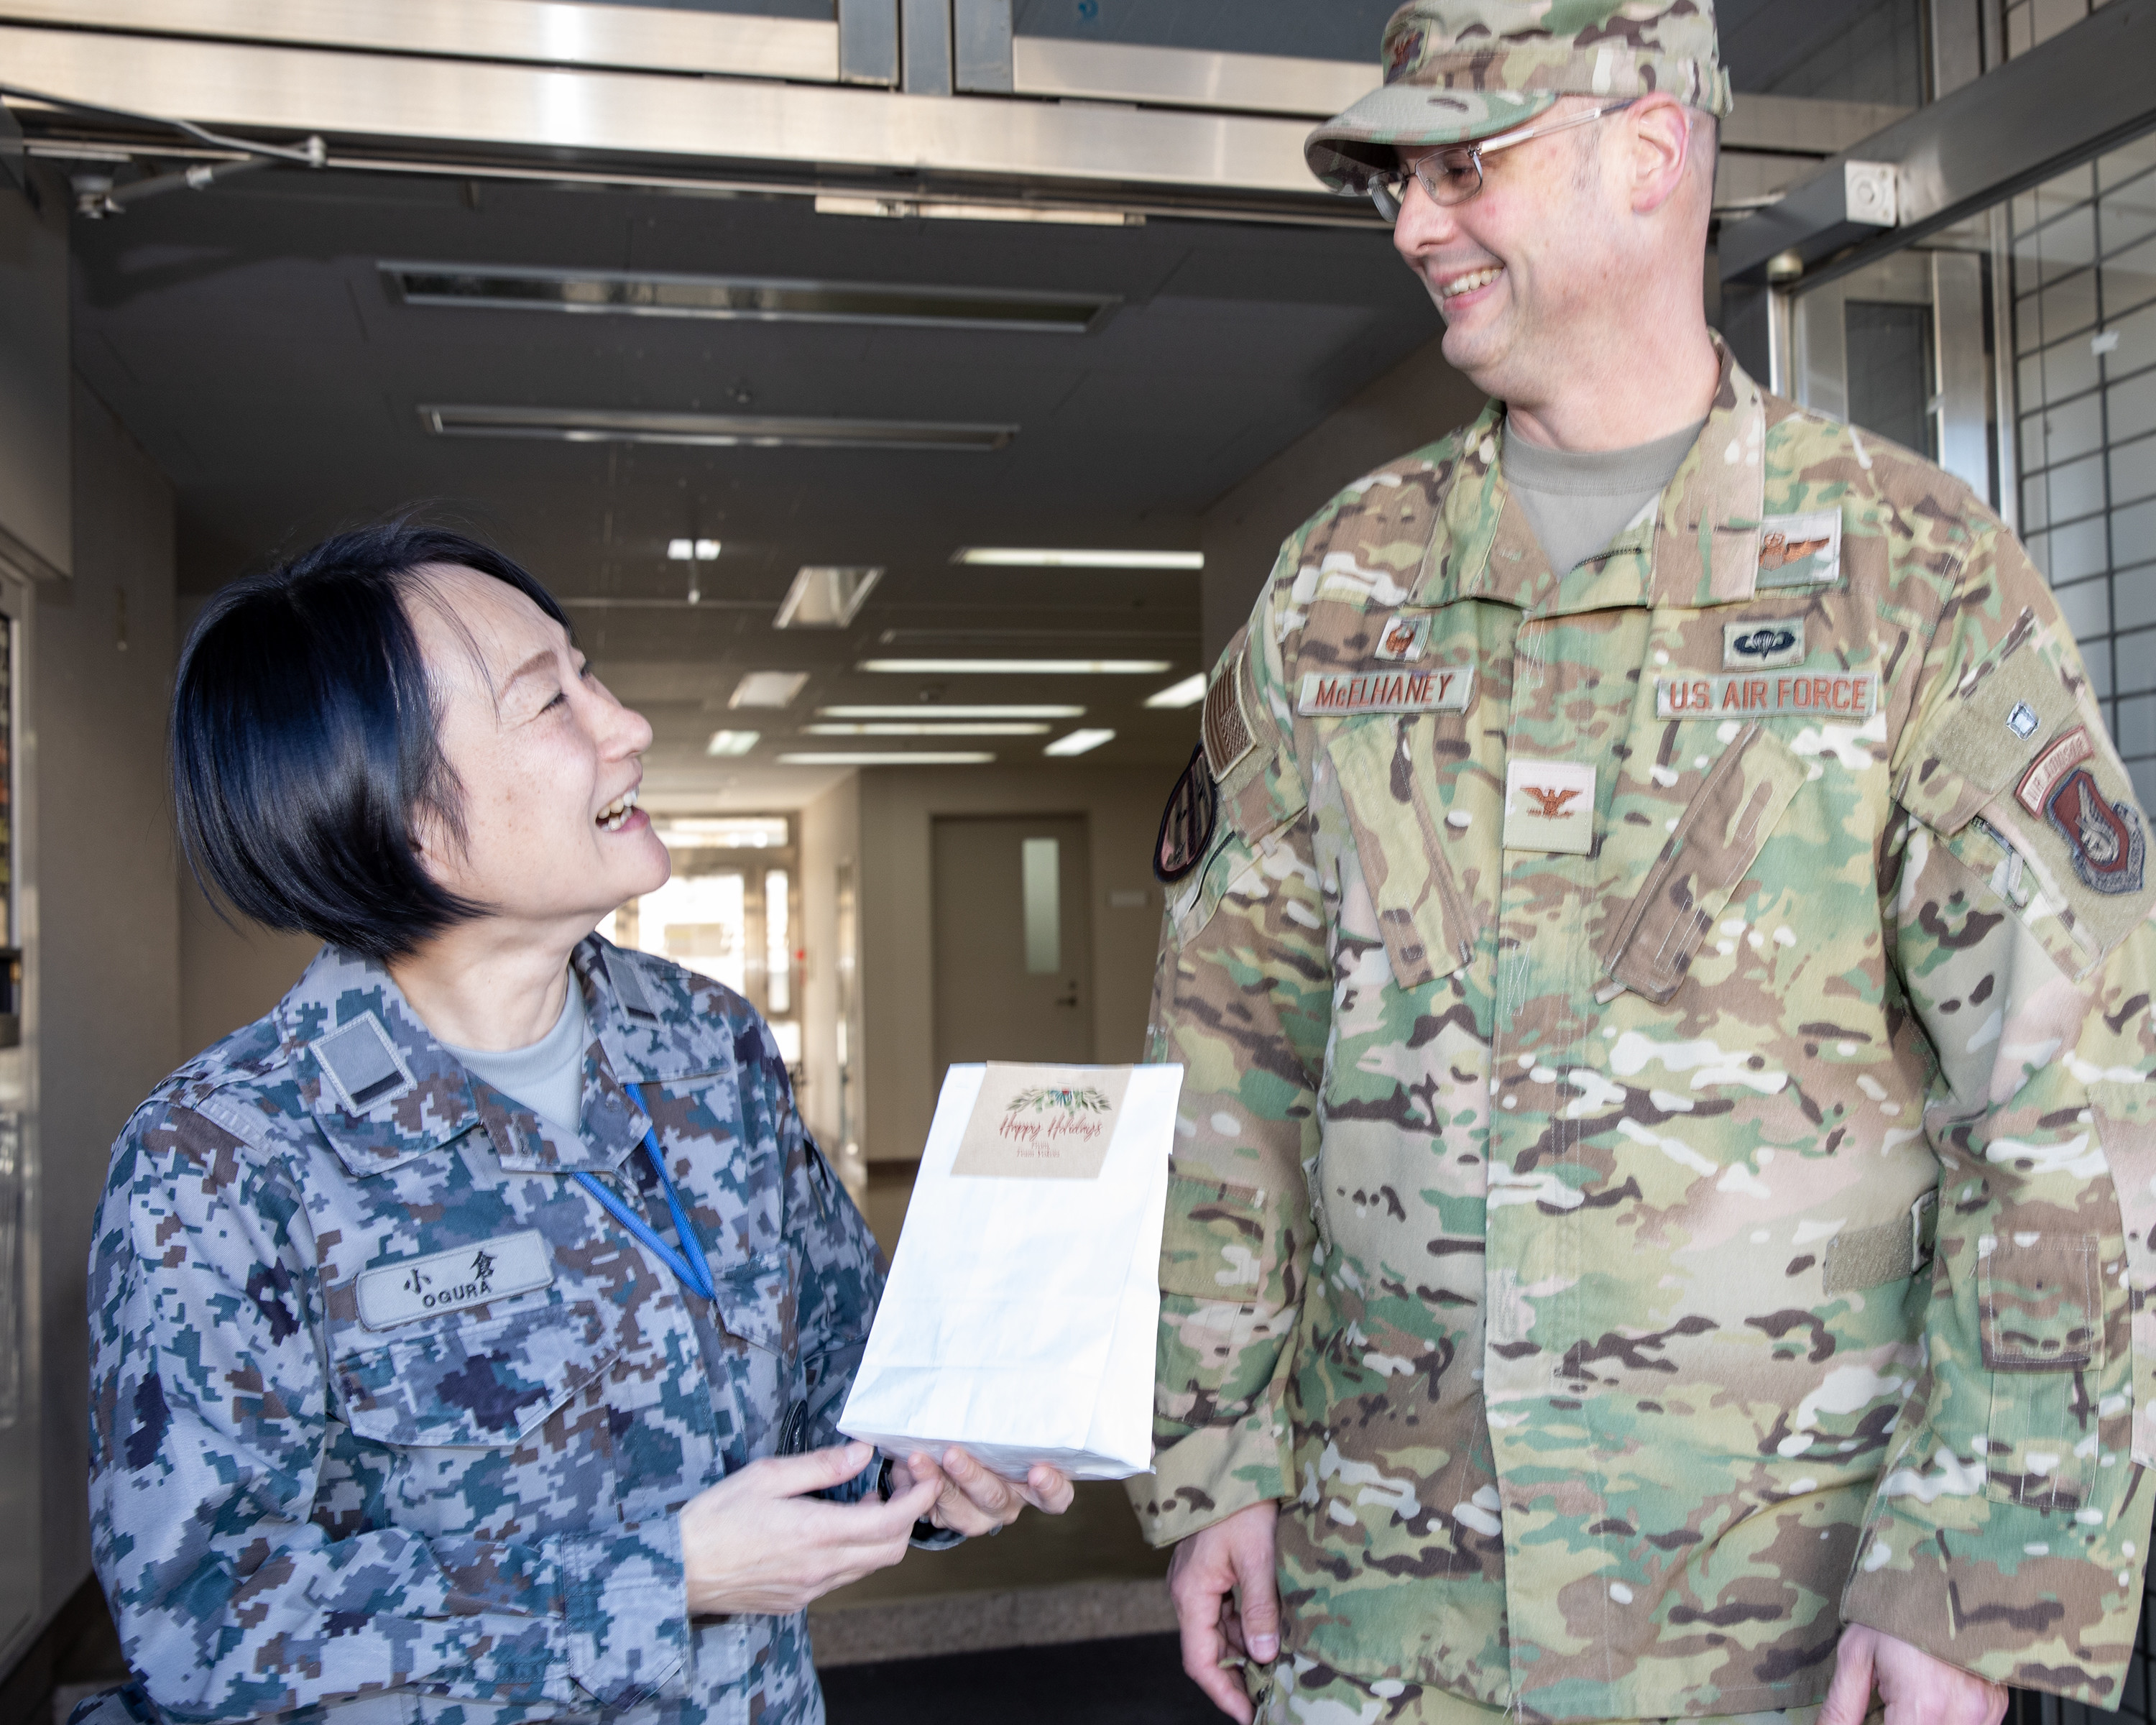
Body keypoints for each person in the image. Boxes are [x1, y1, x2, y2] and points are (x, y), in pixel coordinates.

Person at [1130, 6, 2156, 1725]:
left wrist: (1978, 1571)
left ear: (1650, 151)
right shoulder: (1337, 591)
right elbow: (1227, 1066)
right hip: (1390, 1604)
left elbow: (2074, 1101)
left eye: (1466, 167)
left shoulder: (1912, 573)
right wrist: (1212, 1451)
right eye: (1396, 182)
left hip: (1786, 1615)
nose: (1415, 224)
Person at [84, 524, 1073, 1725]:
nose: (628, 725)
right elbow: (207, 1621)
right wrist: (665, 1579)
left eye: (588, 671)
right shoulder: (222, 1161)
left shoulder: (707, 1046)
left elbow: (843, 1369)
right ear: (397, 812)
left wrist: (927, 1470)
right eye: (551, 700)